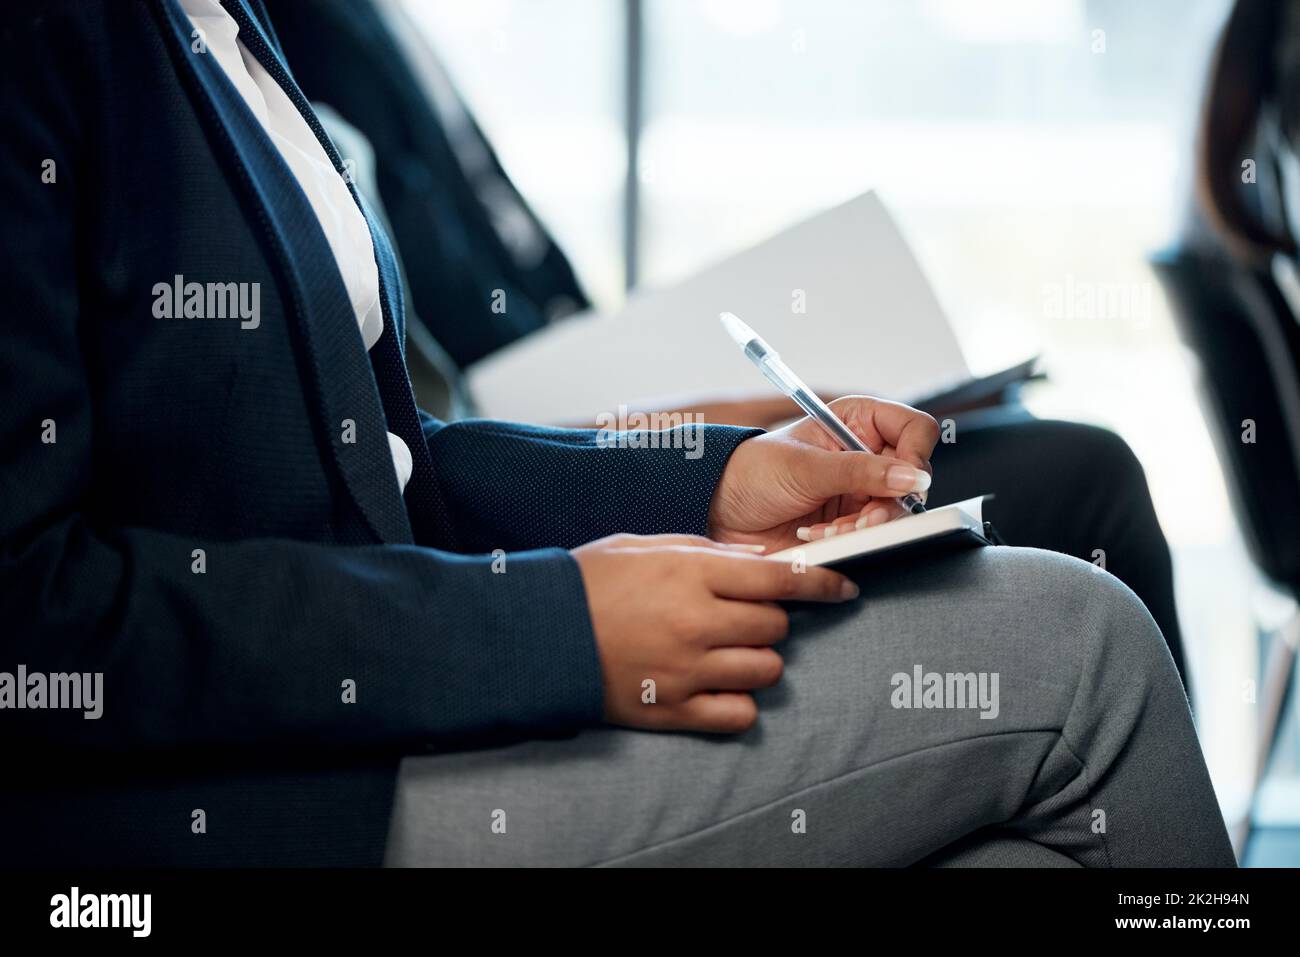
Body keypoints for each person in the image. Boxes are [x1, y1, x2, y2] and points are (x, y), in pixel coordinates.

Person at [0, 0, 1231, 867]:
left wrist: (709, 478)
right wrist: (554, 625)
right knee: (1077, 644)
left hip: (367, 704)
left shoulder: (218, 23)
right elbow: (31, 616)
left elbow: (379, 464)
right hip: (248, 800)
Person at [264, 0, 1190, 686]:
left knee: (1028, 460)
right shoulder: (279, 45)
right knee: (1086, 489)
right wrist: (699, 436)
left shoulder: (346, 32)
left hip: (547, 439)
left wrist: (719, 459)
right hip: (532, 460)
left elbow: (501, 322)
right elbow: (440, 407)